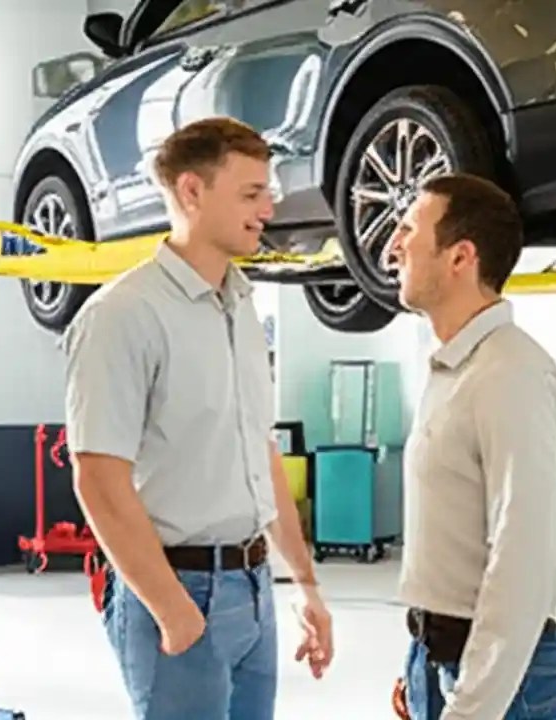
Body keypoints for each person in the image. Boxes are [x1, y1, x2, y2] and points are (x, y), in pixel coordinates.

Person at [62, 116, 334, 720]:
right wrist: (171, 609)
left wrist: (304, 584)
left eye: (268, 190)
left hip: (254, 588)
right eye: (251, 193)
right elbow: (98, 477)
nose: (269, 206)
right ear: (191, 192)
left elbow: (260, 454)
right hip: (180, 590)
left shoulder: (241, 305)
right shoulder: (123, 316)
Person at [387, 173, 556, 720]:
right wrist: (419, 665)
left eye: (408, 229)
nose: (394, 244)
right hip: (441, 656)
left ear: (460, 256)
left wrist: (473, 706)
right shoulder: (455, 367)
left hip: (496, 681)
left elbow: (524, 557)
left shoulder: (510, 372)